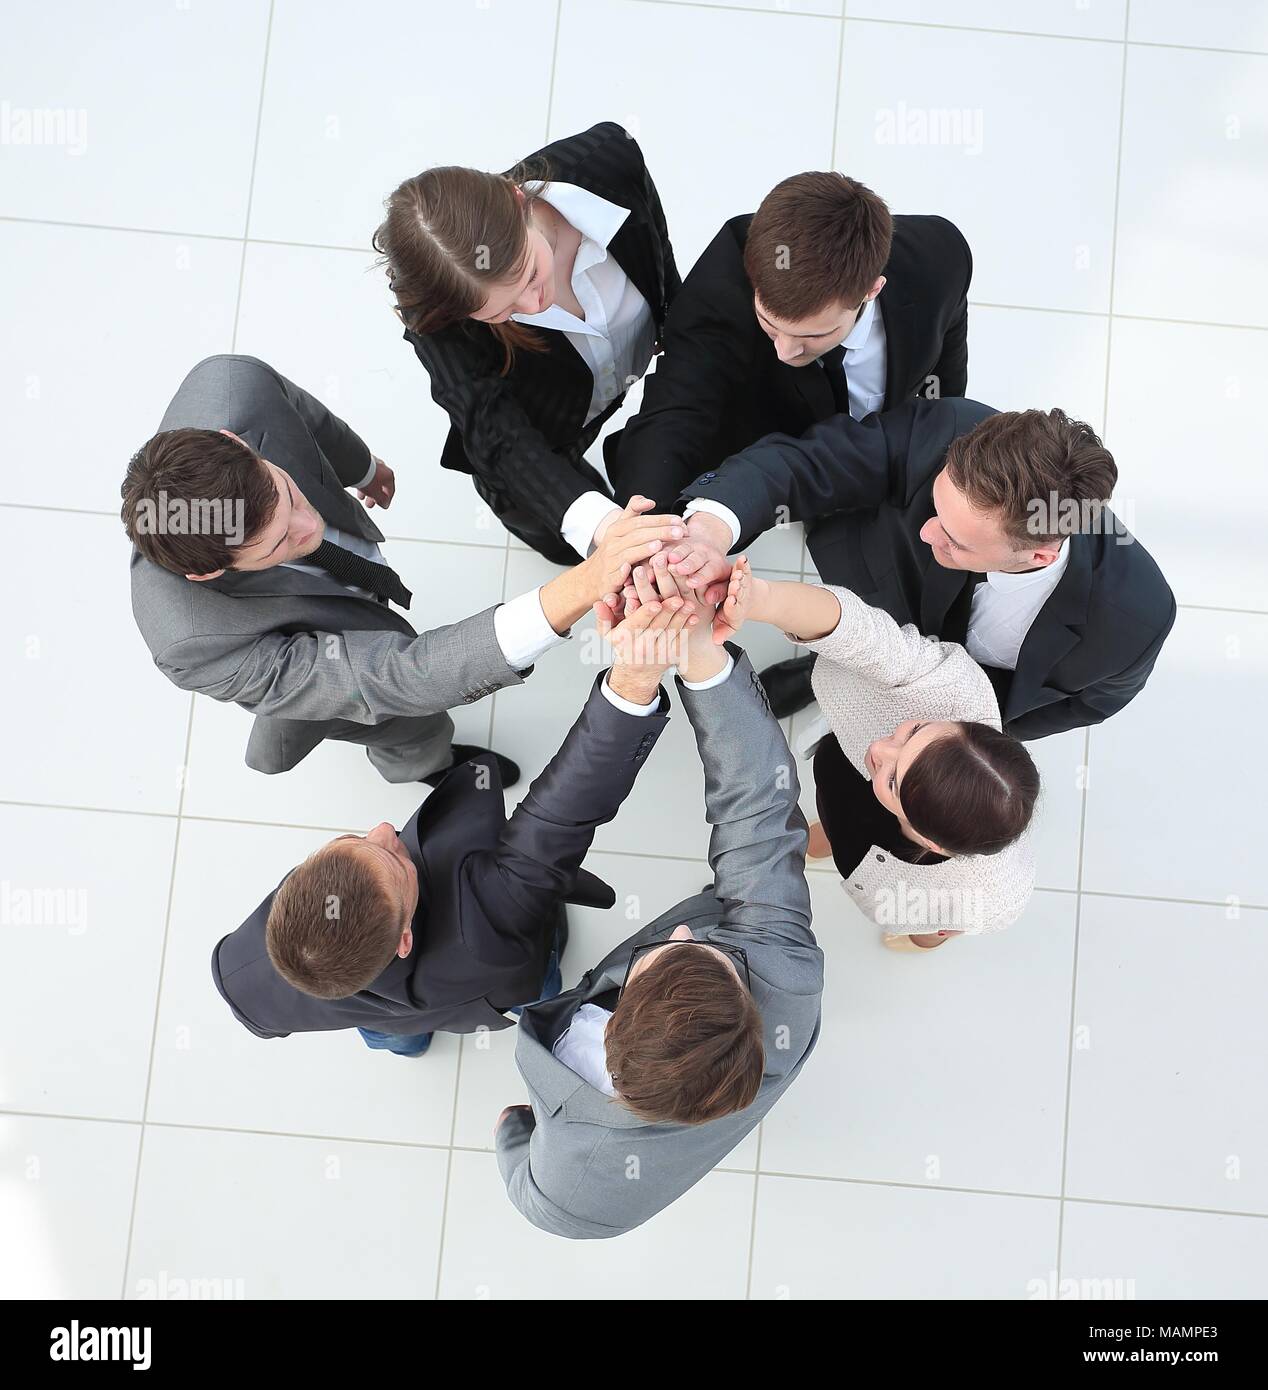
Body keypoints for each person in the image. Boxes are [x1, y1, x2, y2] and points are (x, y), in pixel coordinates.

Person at [123, 355, 684, 784]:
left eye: (289, 495)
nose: (309, 527)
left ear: (233, 441)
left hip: (321, 621)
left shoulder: (229, 383)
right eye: (276, 545)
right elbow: (395, 677)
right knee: (408, 723)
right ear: (208, 575)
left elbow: (305, 414)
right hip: (315, 666)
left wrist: (361, 467)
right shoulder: (192, 643)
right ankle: (424, 767)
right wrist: (586, 583)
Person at [211, 589, 702, 1054]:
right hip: (491, 982)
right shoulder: (487, 923)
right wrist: (635, 679)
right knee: (539, 977)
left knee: (383, 1028)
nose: (385, 829)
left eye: (356, 841)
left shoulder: (241, 970)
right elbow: (567, 806)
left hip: (367, 1000)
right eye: (391, 858)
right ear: (404, 940)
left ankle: (403, 1041)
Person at [495, 566, 823, 1240]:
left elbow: (535, 1202)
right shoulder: (786, 978)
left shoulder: (574, 1196)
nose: (679, 929)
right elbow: (758, 807)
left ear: (613, 1028)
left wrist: (510, 1134)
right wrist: (700, 653)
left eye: (662, 958)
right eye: (712, 957)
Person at [668, 398, 1176, 740]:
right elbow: (800, 465)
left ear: (1038, 555)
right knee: (850, 644)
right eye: (935, 508)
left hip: (963, 695)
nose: (926, 533)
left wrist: (967, 731)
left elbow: (1090, 705)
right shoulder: (947, 428)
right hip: (880, 587)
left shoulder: (1135, 621)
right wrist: (708, 531)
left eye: (955, 541)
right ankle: (822, 668)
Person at [375, 121, 680, 565]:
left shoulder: (609, 158)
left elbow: (654, 237)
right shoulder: (437, 322)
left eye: (531, 273)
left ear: (519, 201)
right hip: (537, 431)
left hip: (612, 376)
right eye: (502, 312)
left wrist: (673, 318)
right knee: (560, 536)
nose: (537, 305)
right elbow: (498, 434)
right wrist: (597, 525)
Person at [713, 556, 1038, 947]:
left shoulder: (982, 897)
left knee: (927, 931)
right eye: (914, 730)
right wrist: (761, 599)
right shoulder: (953, 689)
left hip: (918, 887)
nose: (880, 747)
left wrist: (937, 928)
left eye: (893, 778)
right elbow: (864, 634)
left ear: (931, 844)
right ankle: (828, 836)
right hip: (845, 788)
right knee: (833, 819)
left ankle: (924, 940)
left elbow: (979, 914)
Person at [610, 170, 971, 512]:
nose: (784, 351)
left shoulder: (940, 257)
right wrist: (644, 526)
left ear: (871, 289)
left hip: (879, 452)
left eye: (813, 335)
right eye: (769, 325)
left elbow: (949, 346)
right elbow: (676, 406)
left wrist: (948, 441)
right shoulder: (718, 285)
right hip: (769, 439)